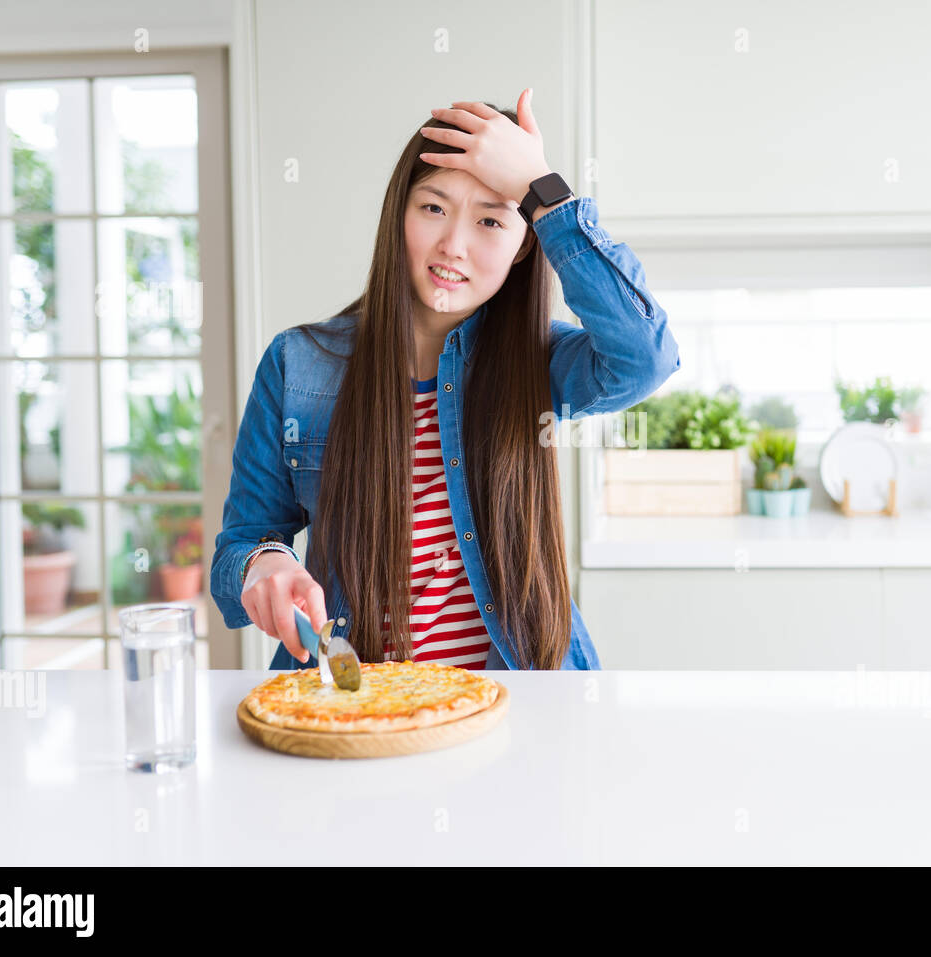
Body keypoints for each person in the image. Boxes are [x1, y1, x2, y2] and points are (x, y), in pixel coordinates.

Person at [210, 91, 680, 670]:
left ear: (523, 244)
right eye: (433, 208)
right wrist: (265, 564)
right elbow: (240, 546)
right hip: (361, 717)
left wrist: (543, 189)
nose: (453, 246)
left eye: (490, 220)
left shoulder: (539, 359)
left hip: (521, 711)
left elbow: (644, 356)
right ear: (399, 213)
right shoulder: (298, 363)